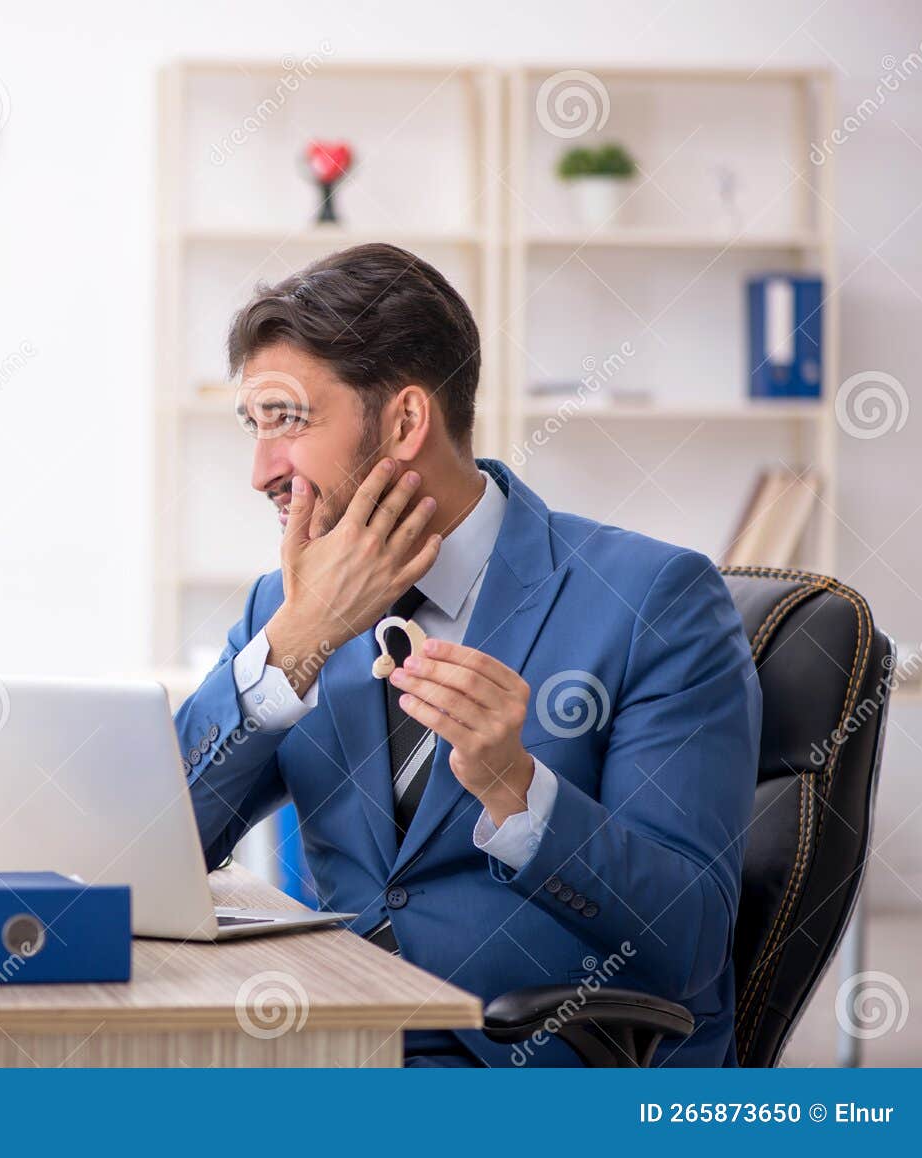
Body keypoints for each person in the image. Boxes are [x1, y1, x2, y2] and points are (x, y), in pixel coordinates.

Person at [174, 243, 761, 1067]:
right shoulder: (287, 609)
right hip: (339, 1053)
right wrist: (297, 644)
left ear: (407, 422)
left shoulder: (652, 600)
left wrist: (520, 795)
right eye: (255, 428)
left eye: (289, 421)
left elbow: (689, 944)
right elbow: (155, 848)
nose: (261, 471)